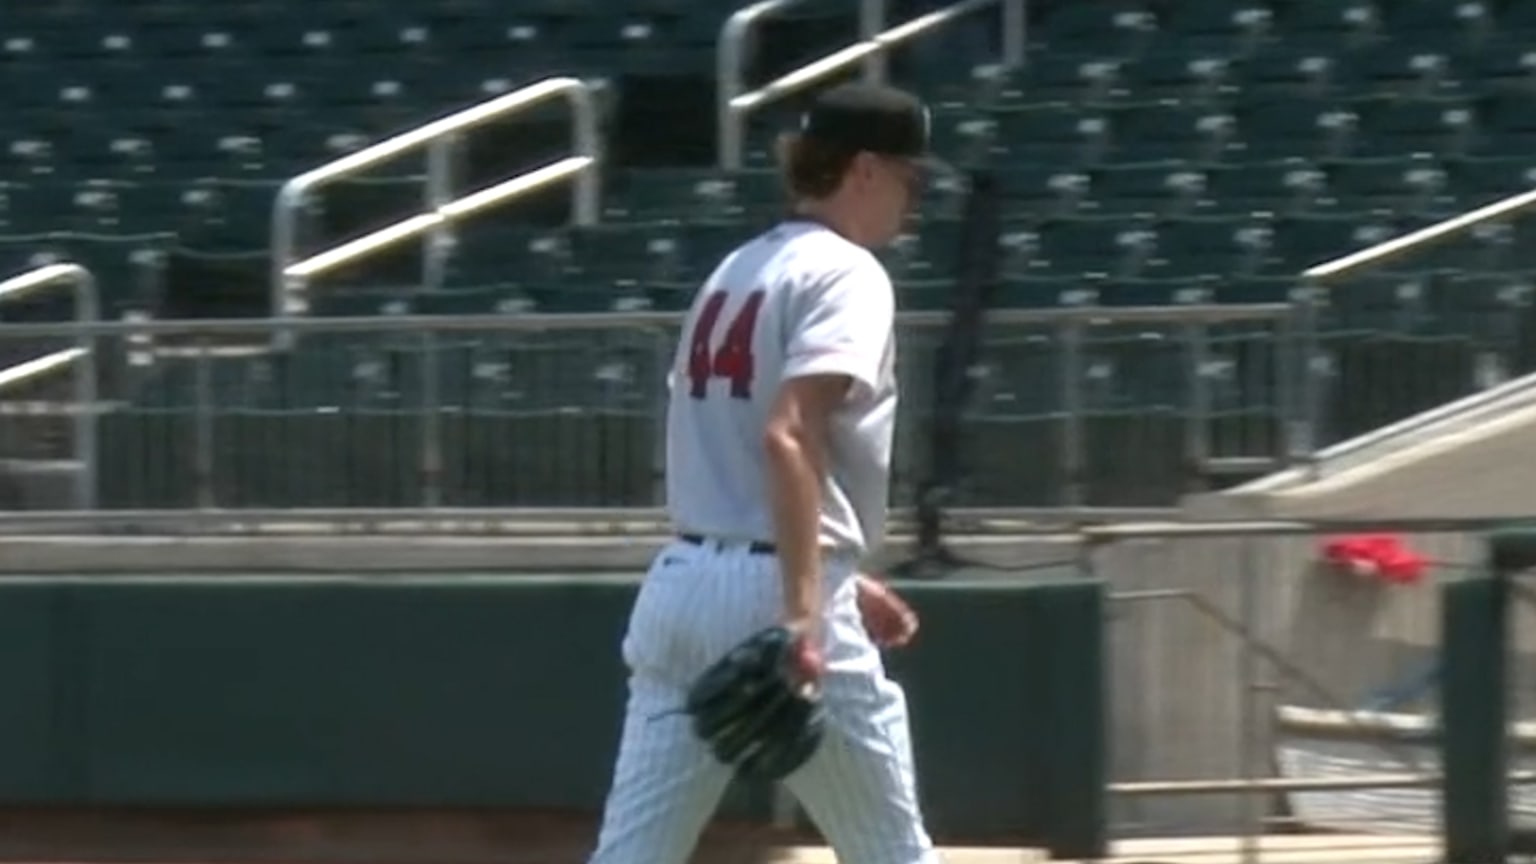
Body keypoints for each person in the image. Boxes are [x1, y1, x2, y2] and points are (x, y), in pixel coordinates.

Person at [586, 81, 940, 864]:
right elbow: (786, 436)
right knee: (894, 854)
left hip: (680, 587)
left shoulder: (736, 270)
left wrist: (840, 568)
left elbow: (734, 444)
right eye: (911, 179)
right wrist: (806, 608)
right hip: (771, 598)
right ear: (866, 170)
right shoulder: (848, 273)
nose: (913, 201)